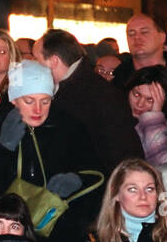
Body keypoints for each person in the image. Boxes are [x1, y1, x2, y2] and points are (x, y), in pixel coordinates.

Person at [0, 60, 103, 242]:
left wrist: (78, 180)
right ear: (13, 99)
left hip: (63, 233)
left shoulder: (71, 128)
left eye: (45, 101)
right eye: (29, 101)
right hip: (10, 234)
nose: (38, 110)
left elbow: (97, 172)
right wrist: (3, 150)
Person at [33, 29, 142, 175]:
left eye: (36, 60)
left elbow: (120, 153)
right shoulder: (78, 88)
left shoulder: (94, 95)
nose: (32, 66)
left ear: (53, 61)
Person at [125, 65, 167, 165]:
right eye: (136, 95)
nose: (140, 104)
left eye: (150, 100)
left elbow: (161, 162)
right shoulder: (115, 116)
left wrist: (154, 116)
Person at [112, 13, 167, 88]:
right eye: (131, 34)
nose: (137, 37)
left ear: (162, 37)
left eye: (144, 32)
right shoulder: (116, 81)